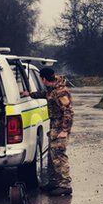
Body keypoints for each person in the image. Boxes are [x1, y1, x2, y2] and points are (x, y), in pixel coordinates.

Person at [24, 67, 74, 196]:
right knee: (52, 156)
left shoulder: (61, 92)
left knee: (59, 155)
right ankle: (53, 182)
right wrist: (29, 94)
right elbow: (45, 95)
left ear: (44, 79)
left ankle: (65, 185)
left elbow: (68, 111)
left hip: (60, 127)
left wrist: (64, 130)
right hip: (54, 126)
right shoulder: (52, 89)